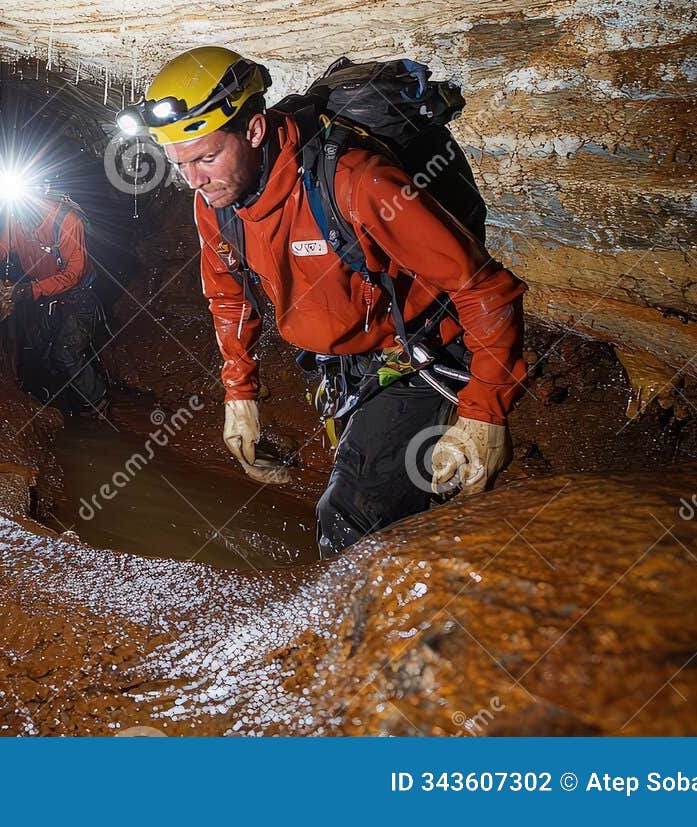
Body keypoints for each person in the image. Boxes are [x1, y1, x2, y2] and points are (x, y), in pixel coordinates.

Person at [127, 46, 528, 556]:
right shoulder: (215, 202)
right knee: (397, 512)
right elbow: (230, 298)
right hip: (342, 368)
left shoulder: (358, 183)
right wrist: (240, 393)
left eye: (206, 158)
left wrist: (485, 415)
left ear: (253, 130)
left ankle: (353, 634)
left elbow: (485, 288)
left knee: (349, 519)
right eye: (180, 164)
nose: (195, 181)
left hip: (419, 361)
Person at [0, 189, 110, 418]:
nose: (20, 220)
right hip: (47, 295)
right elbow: (3, 246)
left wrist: (31, 290)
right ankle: (54, 404)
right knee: (39, 350)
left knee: (65, 352)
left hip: (79, 295)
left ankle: (97, 405)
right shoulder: (16, 217)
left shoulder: (66, 221)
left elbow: (73, 274)